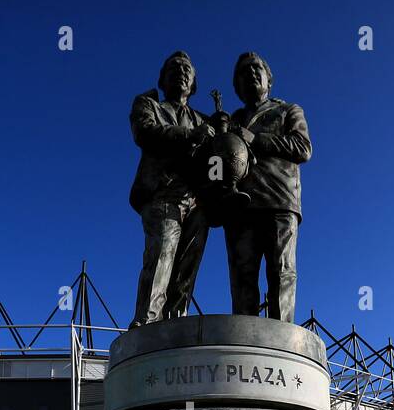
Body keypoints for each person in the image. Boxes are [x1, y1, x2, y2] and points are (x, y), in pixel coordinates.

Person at [223, 51, 312, 323]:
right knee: (242, 275)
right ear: (236, 86)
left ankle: (281, 338)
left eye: (256, 68)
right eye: (243, 72)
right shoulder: (229, 120)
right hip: (240, 206)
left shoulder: (287, 110)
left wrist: (257, 139)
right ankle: (245, 338)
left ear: (268, 80)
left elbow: (303, 148)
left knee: (281, 272)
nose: (250, 73)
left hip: (279, 201)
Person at [128, 50, 213, 328]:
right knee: (161, 256)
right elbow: (146, 133)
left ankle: (177, 325)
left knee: (187, 270)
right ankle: (146, 324)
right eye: (174, 68)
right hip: (163, 194)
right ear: (163, 80)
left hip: (197, 201)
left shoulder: (205, 120)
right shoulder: (149, 105)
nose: (182, 72)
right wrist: (190, 136)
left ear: (194, 84)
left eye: (188, 69)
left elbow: (217, 162)